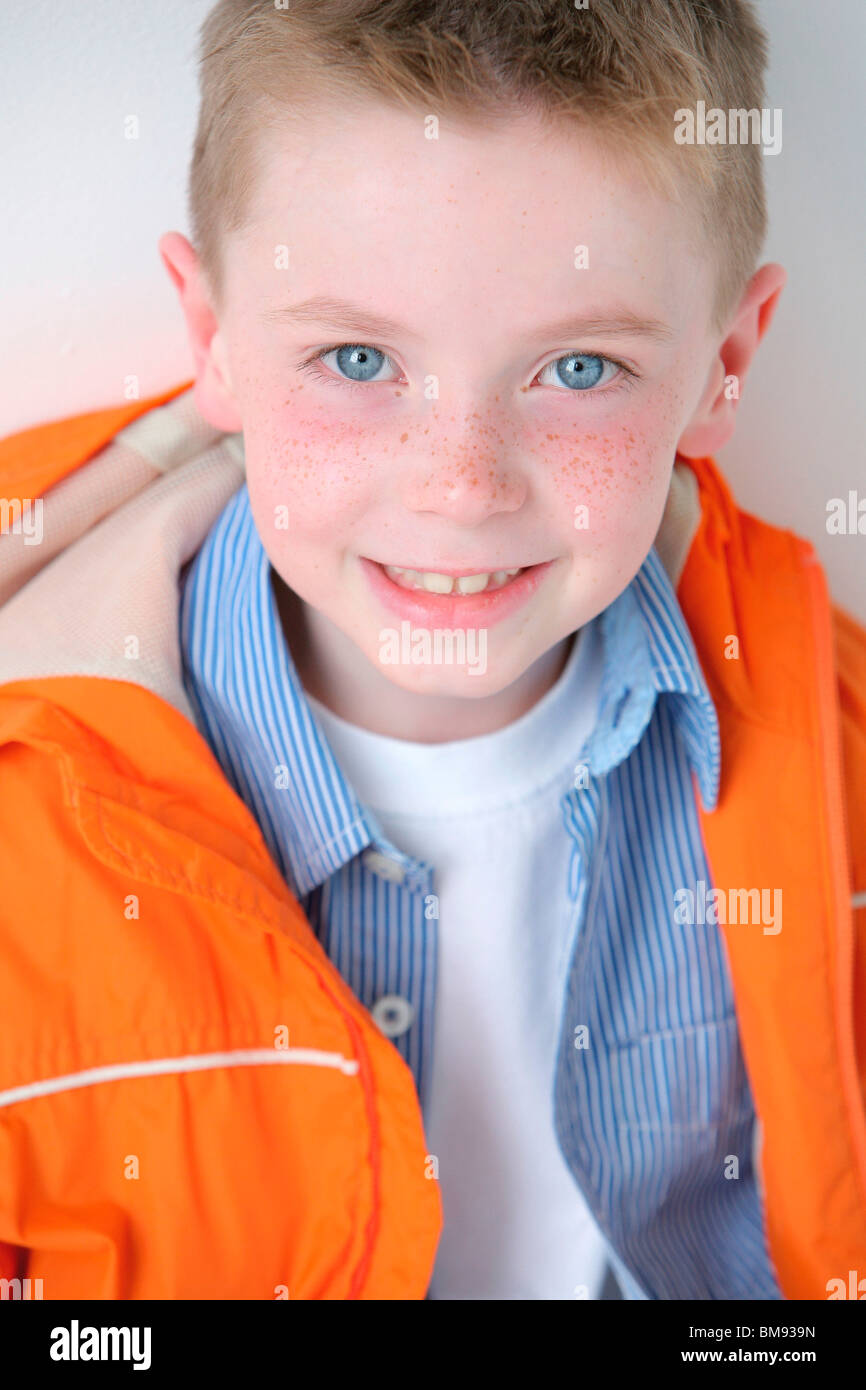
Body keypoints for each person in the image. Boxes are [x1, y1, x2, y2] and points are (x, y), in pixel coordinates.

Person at [0, 0, 864, 1301]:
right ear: (212, 335)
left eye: (576, 369)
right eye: (357, 357)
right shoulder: (29, 822)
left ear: (723, 363)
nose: (460, 488)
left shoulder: (836, 768)